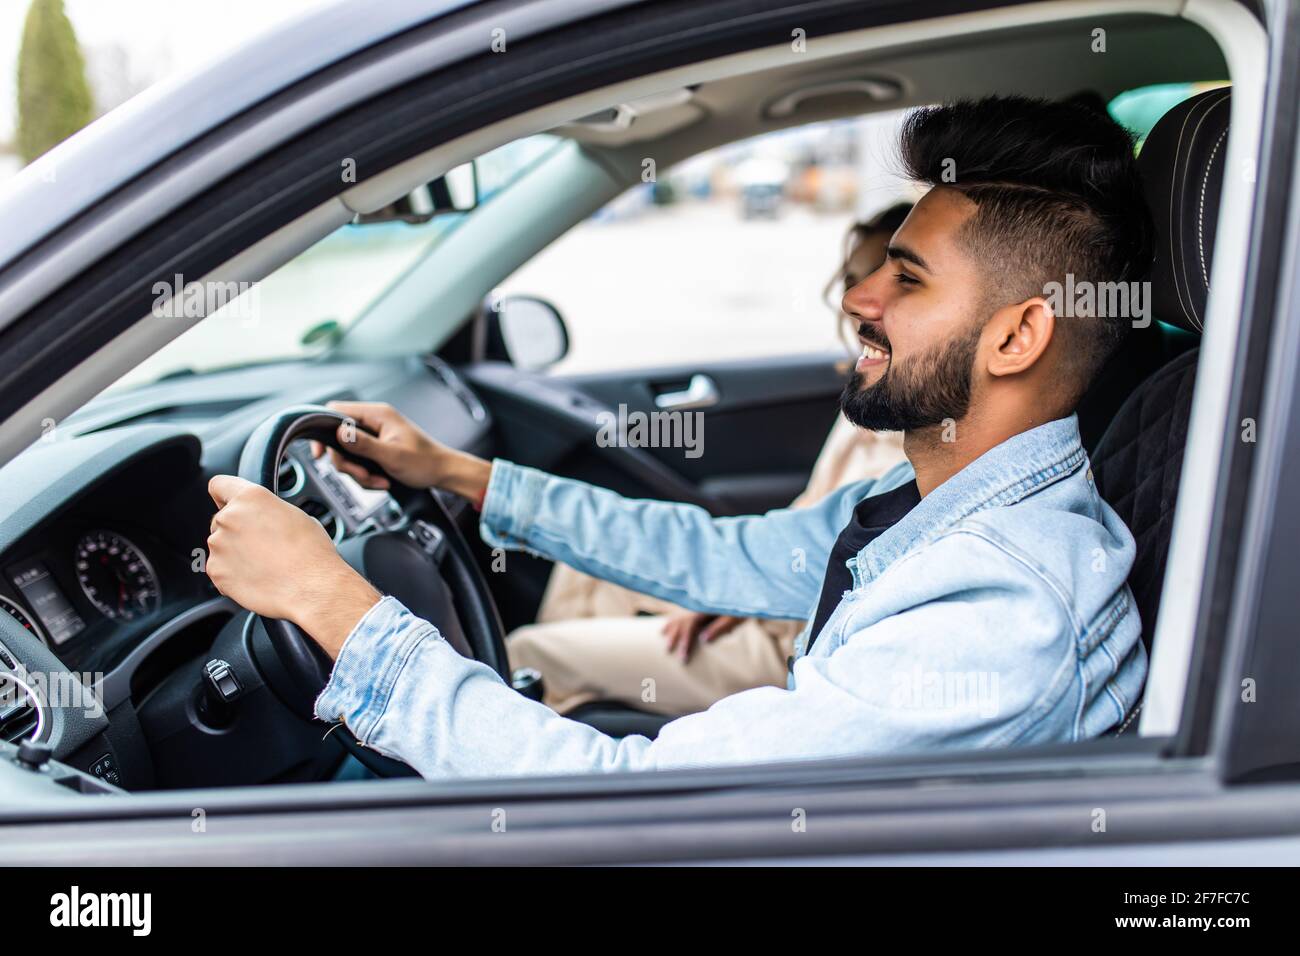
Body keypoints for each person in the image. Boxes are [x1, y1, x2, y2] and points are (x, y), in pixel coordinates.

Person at [202, 96, 1152, 778]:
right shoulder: (936, 510)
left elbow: (631, 810)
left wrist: (332, 605)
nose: (858, 300)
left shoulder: (997, 616)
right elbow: (712, 550)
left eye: (905, 280)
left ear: (1017, 336)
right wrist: (456, 472)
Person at [507, 204, 914, 717]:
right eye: (853, 280)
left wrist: (739, 597)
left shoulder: (919, 427)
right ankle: (589, 706)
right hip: (773, 589)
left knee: (529, 653)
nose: (857, 302)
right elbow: (807, 530)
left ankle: (579, 717)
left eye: (897, 280)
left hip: (785, 637)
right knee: (581, 571)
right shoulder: (871, 387)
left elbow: (834, 574)